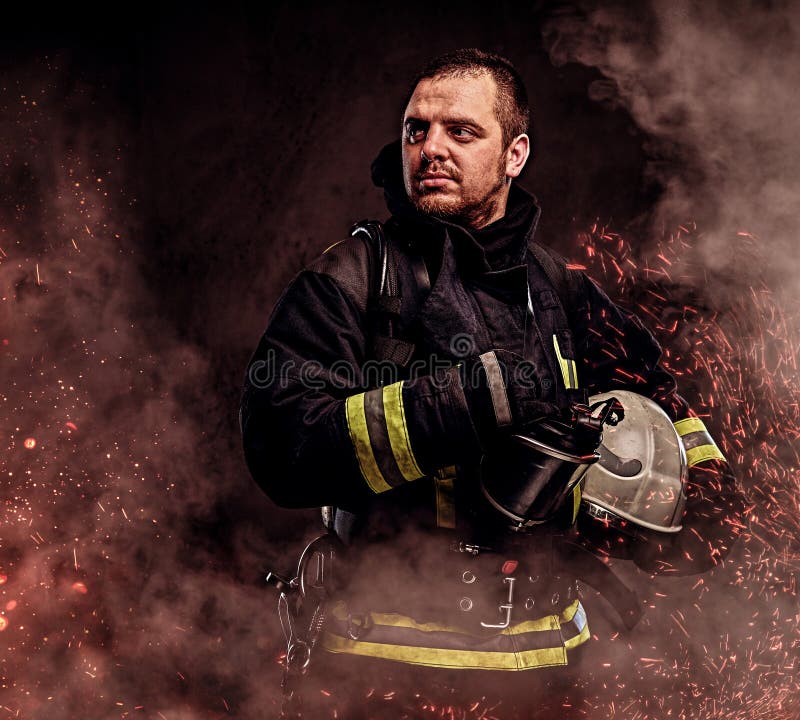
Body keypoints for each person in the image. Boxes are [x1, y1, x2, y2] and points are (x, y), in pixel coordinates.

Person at [241, 49, 739, 709]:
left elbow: (663, 410)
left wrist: (695, 507)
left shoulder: (564, 291)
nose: (430, 148)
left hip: (548, 679)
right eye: (416, 129)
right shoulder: (356, 281)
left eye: (461, 131)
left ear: (515, 154)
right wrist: (474, 399)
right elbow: (281, 447)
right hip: (379, 677)